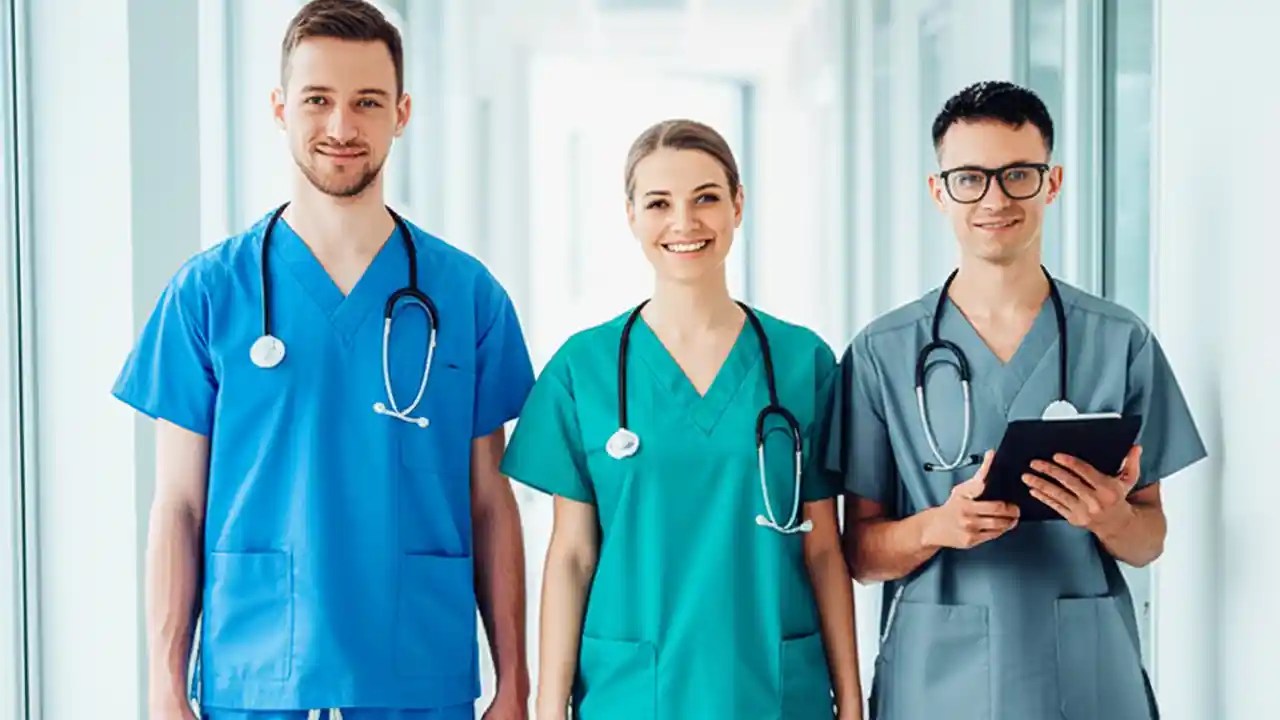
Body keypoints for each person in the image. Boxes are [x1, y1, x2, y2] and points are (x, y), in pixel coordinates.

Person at [112, 2, 534, 718]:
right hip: (255, 675)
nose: (342, 127)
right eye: (318, 100)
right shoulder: (210, 294)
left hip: (415, 676)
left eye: (367, 102)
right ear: (280, 108)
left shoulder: (466, 298)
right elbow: (178, 507)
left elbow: (491, 504)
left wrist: (515, 683)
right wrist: (162, 684)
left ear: (401, 112)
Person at [825, 80, 1206, 720]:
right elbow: (860, 554)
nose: (995, 198)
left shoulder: (1120, 340)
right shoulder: (881, 352)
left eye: (1018, 175)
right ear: (939, 191)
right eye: (970, 178)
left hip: (1085, 677)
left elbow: (1149, 539)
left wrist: (1108, 517)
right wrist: (937, 527)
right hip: (936, 681)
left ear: (1052, 183)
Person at [500, 119, 863, 719]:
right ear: (632, 216)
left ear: (738, 204)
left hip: (770, 691)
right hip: (633, 695)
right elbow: (571, 555)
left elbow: (824, 549)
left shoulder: (802, 362)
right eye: (660, 203)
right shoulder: (583, 368)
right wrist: (547, 706)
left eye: (706, 199)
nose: (685, 223)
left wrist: (850, 701)